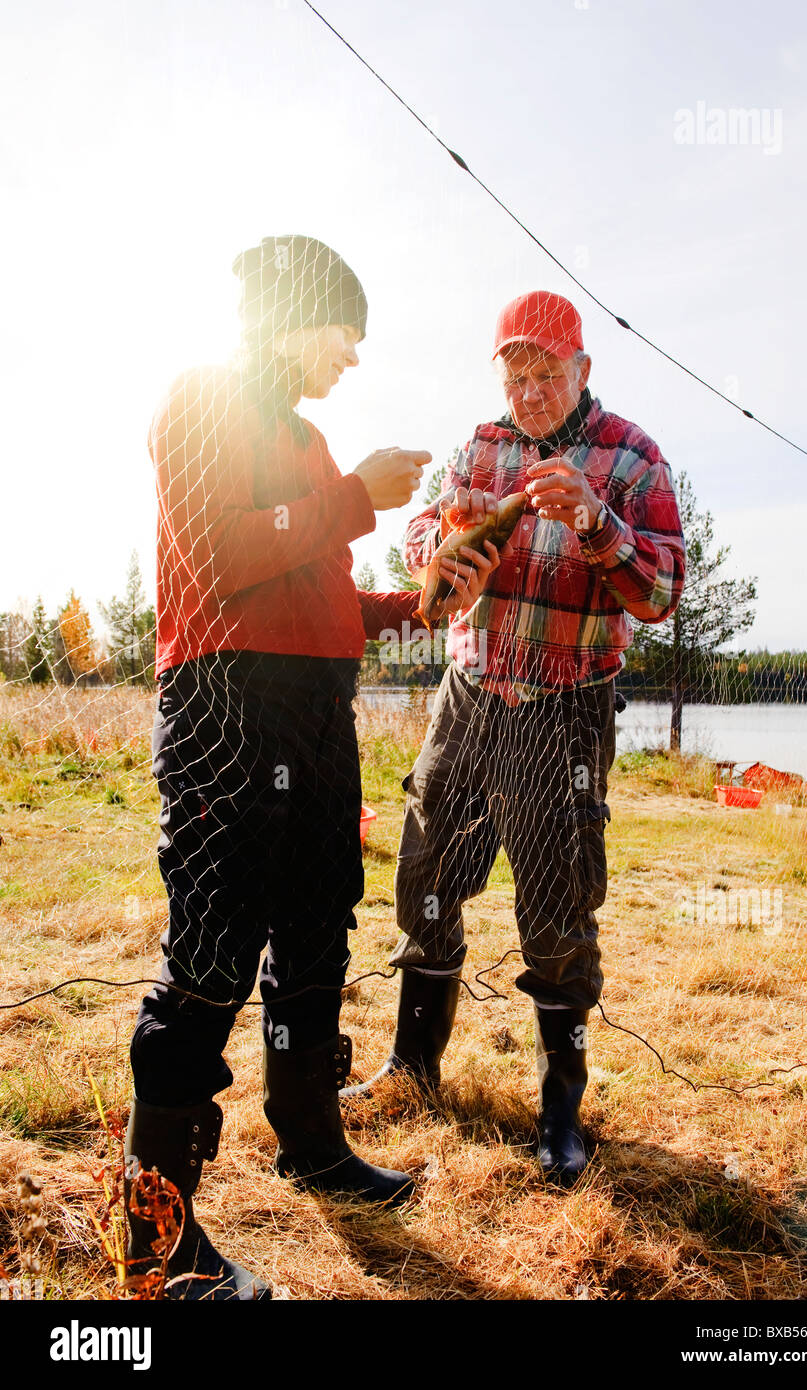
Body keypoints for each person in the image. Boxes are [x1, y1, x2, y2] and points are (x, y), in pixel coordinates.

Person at [123, 234, 498, 1300]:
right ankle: (156, 1241)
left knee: (316, 918)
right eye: (347, 333)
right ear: (293, 319)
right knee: (213, 941)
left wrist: (416, 600)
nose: (352, 358)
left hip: (314, 713)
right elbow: (221, 553)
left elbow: (313, 592)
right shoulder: (197, 399)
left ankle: (309, 1138)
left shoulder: (303, 437)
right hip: (225, 705)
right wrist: (357, 501)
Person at [342, 290, 685, 1187]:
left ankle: (560, 1111)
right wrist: (437, 547)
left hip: (566, 703)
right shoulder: (478, 448)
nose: (531, 391)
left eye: (548, 372)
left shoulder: (633, 458)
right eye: (517, 374)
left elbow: (660, 595)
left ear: (583, 370)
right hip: (470, 694)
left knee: (557, 911)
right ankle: (413, 1068)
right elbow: (421, 526)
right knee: (423, 878)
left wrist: (596, 523)